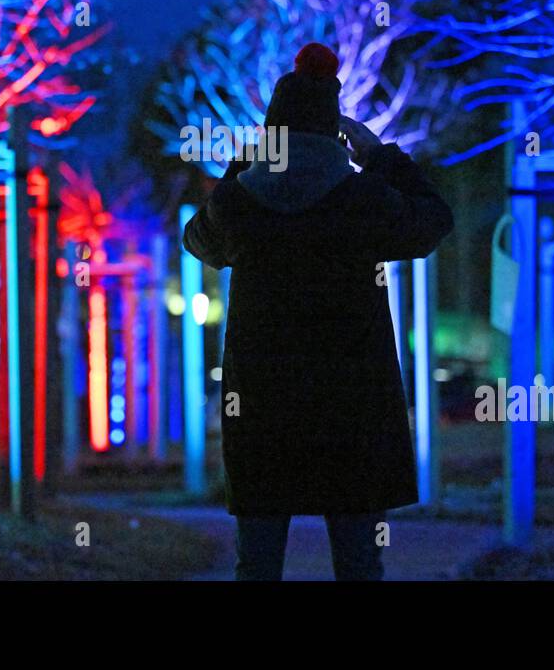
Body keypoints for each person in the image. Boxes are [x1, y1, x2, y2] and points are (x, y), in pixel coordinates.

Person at [182, 42, 455, 580]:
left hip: (261, 412)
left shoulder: (240, 206)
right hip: (351, 411)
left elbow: (199, 241)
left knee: (256, 564)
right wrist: (380, 156)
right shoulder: (363, 200)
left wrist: (248, 163)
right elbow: (433, 221)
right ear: (335, 134)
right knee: (359, 562)